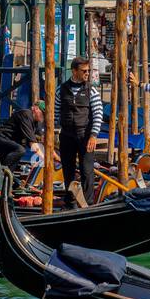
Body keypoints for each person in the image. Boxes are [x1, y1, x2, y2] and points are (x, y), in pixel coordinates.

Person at [56, 57, 102, 208]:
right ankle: (71, 201)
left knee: (87, 171)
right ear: (74, 71)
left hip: (85, 136)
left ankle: (87, 203)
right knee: (67, 169)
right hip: (67, 135)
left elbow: (98, 114)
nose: (87, 74)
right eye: (84, 71)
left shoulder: (91, 90)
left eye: (88, 71)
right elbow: (56, 113)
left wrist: (93, 135)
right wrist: (54, 134)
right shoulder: (61, 90)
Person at [0, 102, 45, 171]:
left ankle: (6, 177)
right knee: (20, 150)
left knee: (19, 151)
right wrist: (44, 158)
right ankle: (1, 172)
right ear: (36, 109)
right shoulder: (26, 114)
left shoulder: (37, 123)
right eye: (43, 113)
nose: (44, 116)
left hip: (11, 145)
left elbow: (43, 141)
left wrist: (58, 158)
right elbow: (33, 144)